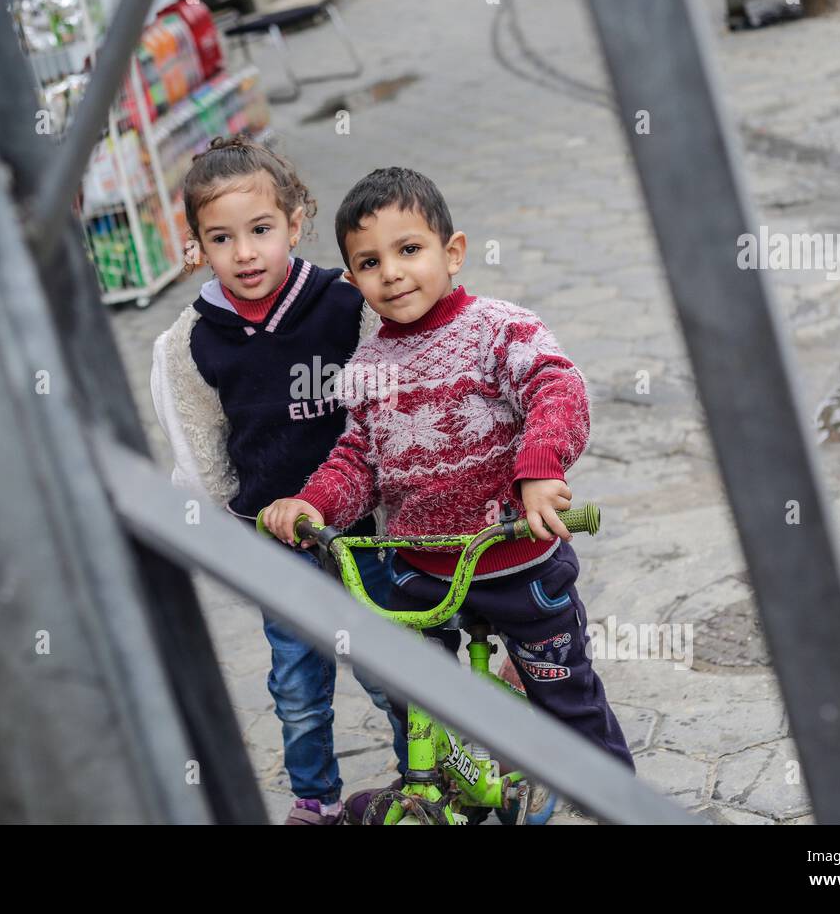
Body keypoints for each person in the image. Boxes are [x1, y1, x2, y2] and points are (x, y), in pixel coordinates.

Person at [261, 167, 634, 822]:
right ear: (353, 282)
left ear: (451, 252)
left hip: (514, 561)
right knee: (411, 687)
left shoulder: (497, 330)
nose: (394, 273)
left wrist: (540, 467)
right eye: (371, 262)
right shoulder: (367, 369)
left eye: (410, 250)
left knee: (569, 701)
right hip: (420, 570)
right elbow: (358, 461)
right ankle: (450, 781)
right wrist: (315, 504)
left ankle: (624, 803)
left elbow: (555, 386)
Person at [149, 136, 406, 824]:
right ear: (197, 246)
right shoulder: (194, 340)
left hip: (362, 533)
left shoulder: (340, 305)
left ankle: (423, 773)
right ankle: (315, 800)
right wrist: (228, 522)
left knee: (389, 668)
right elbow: (200, 438)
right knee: (296, 683)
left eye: (261, 230)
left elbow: (388, 392)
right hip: (276, 541)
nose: (246, 252)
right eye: (222, 238)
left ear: (294, 223)